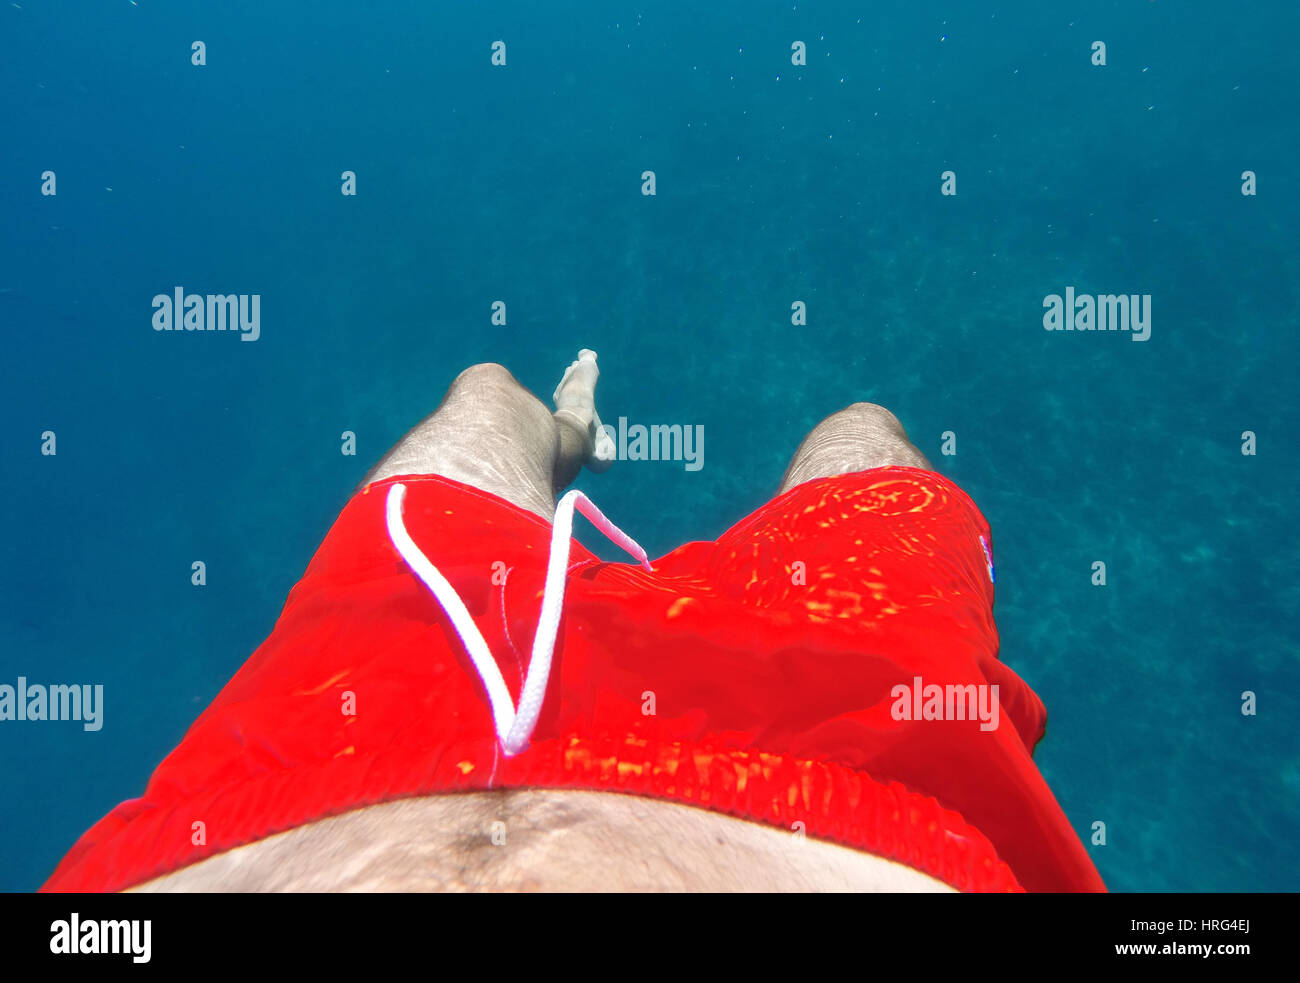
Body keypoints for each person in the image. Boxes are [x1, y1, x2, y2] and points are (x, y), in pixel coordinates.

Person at [42, 350, 1105, 892]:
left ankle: (558, 434)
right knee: (862, 434)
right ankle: (567, 458)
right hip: (854, 786)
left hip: (309, 758)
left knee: (480, 397)